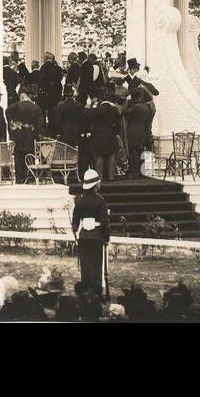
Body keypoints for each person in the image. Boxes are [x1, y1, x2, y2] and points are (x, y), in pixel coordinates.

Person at [72, 169, 110, 298]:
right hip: (97, 236)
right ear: (95, 185)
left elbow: (75, 223)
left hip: (84, 237)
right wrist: (106, 238)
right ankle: (96, 293)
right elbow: (105, 222)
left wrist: (77, 235)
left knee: (85, 265)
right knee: (96, 266)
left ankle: (85, 292)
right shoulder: (100, 201)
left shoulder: (79, 201)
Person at [7, 87, 43, 183]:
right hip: (30, 137)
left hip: (18, 136)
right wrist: (36, 135)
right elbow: (40, 125)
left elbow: (7, 112)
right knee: (30, 156)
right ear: (28, 95)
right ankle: (28, 178)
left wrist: (12, 127)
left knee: (18, 157)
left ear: (21, 96)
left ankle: (19, 179)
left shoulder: (16, 106)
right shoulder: (36, 107)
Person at [89, 89, 122, 182]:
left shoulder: (97, 109)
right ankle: (111, 176)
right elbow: (118, 124)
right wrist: (116, 133)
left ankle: (99, 177)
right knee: (111, 155)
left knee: (99, 156)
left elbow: (89, 117)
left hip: (98, 135)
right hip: (111, 134)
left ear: (99, 98)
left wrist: (93, 106)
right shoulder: (114, 108)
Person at [122, 86, 155, 178]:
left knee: (133, 152)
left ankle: (134, 172)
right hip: (143, 131)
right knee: (141, 152)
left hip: (133, 131)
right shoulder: (147, 107)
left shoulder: (135, 107)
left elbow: (124, 112)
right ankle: (141, 172)